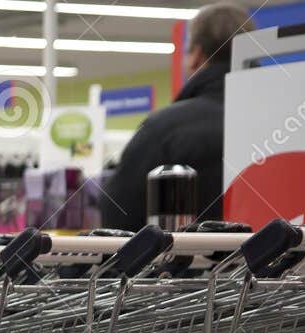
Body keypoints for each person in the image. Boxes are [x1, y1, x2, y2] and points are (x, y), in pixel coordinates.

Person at [100, 2, 253, 230]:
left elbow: (119, 220)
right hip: (289, 263)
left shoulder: (162, 129)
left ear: (196, 55)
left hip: (188, 264)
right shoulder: (292, 122)